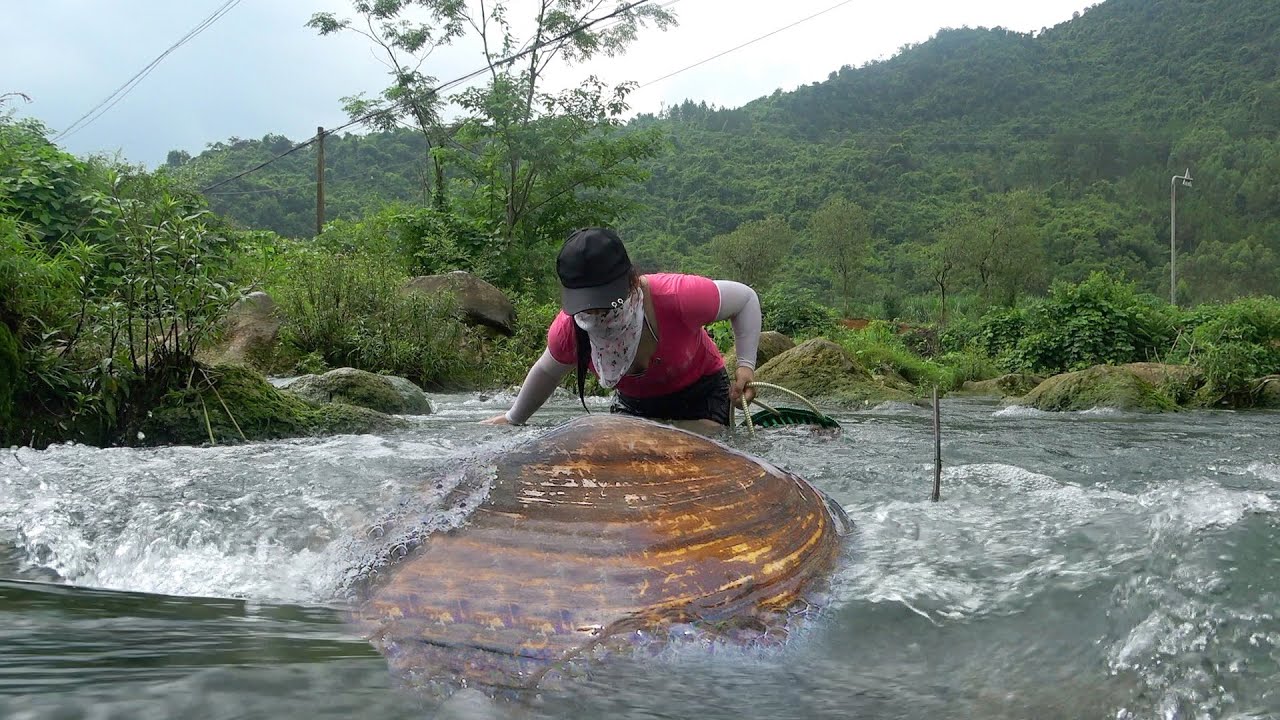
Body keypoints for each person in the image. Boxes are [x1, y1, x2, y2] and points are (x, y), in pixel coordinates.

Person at [482, 227, 762, 432]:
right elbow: (547, 372)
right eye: (587, 304)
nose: (594, 313)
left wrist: (746, 366)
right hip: (635, 404)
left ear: (631, 281)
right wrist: (513, 418)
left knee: (703, 441)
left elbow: (745, 300)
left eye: (602, 301)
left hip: (701, 394)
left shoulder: (677, 297)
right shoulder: (571, 329)